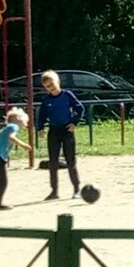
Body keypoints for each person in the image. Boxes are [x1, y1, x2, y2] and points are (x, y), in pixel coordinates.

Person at [36, 70, 85, 200]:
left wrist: (74, 122)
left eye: (52, 84)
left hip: (67, 130)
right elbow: (41, 116)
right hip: (54, 131)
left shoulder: (67, 95)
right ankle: (54, 191)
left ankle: (77, 189)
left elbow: (80, 108)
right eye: (47, 86)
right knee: (53, 162)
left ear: (58, 82)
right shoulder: (46, 100)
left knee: (70, 161)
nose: (50, 88)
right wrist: (40, 128)